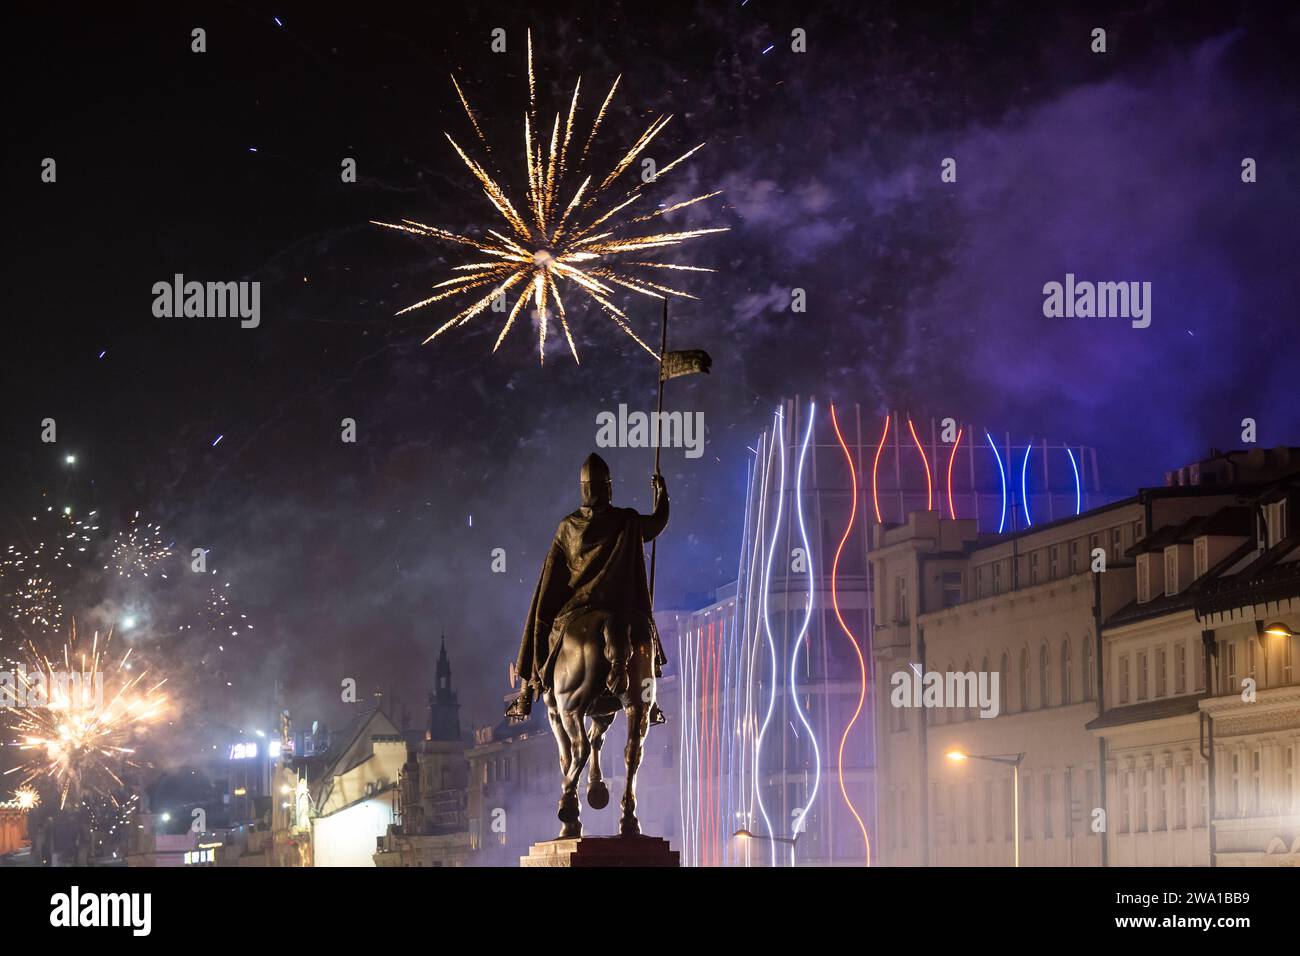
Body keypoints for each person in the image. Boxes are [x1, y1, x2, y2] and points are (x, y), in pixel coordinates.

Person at [506, 452, 668, 724]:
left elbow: (552, 575)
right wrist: (662, 493)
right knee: (643, 635)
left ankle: (525, 691)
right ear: (608, 487)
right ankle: (650, 702)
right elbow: (658, 522)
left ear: (583, 489)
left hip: (578, 606)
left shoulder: (568, 526)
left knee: (539, 609)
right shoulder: (626, 519)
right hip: (620, 605)